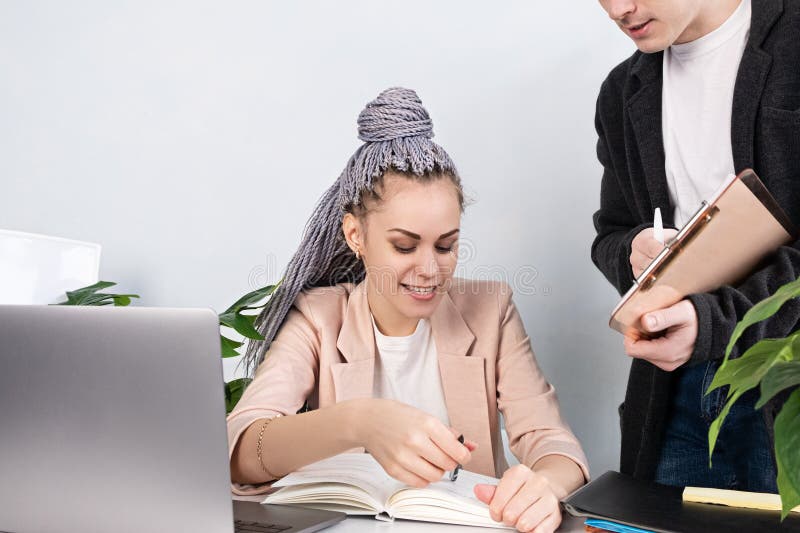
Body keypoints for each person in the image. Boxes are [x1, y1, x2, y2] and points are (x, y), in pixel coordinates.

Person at [227, 87, 588, 532]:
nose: (430, 269)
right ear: (355, 235)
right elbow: (240, 450)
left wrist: (544, 486)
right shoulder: (319, 319)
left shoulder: (491, 310)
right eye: (404, 245)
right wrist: (361, 422)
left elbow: (552, 442)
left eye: (446, 245)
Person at [592, 0, 800, 490]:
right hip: (671, 396)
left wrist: (712, 322)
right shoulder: (621, 91)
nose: (619, 9)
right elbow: (610, 234)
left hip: (785, 384)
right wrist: (634, 250)